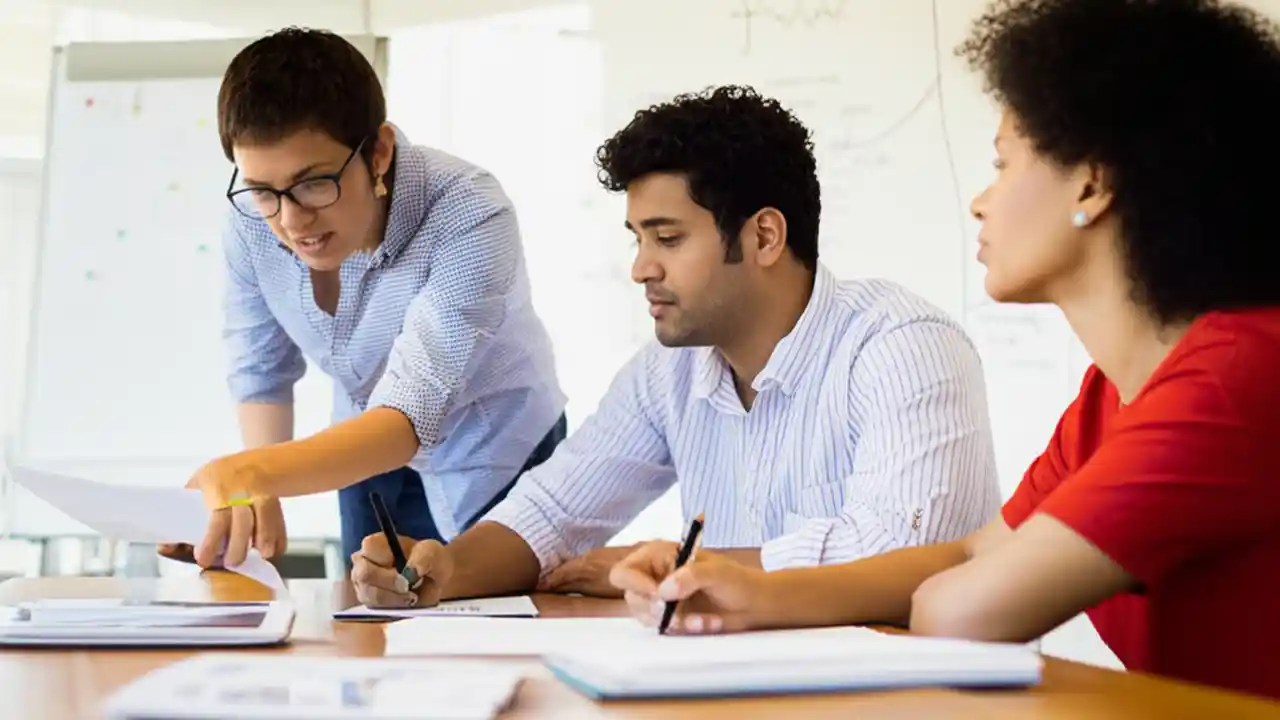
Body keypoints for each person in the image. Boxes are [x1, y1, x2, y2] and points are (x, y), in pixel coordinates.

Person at [609, 0, 1280, 702]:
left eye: (1004, 163)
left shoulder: (1234, 379)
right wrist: (745, 594)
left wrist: (936, 592)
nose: (980, 202)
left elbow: (965, 608)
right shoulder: (1108, 397)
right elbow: (974, 553)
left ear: (1091, 181)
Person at [350, 85, 1000, 605]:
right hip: (736, 691)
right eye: (637, 239)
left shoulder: (903, 347)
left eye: (667, 238)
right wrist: (443, 570)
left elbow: (901, 556)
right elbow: (553, 510)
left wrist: (678, 568)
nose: (640, 268)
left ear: (764, 237)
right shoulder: (670, 371)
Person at [165, 28, 567, 570]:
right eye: (264, 190)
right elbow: (260, 368)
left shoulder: (470, 213)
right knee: (369, 616)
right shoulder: (250, 220)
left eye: (314, 184)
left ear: (378, 152)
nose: (290, 220)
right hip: (362, 447)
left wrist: (253, 472)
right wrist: (262, 495)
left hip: (491, 449)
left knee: (485, 622)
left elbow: (410, 414)